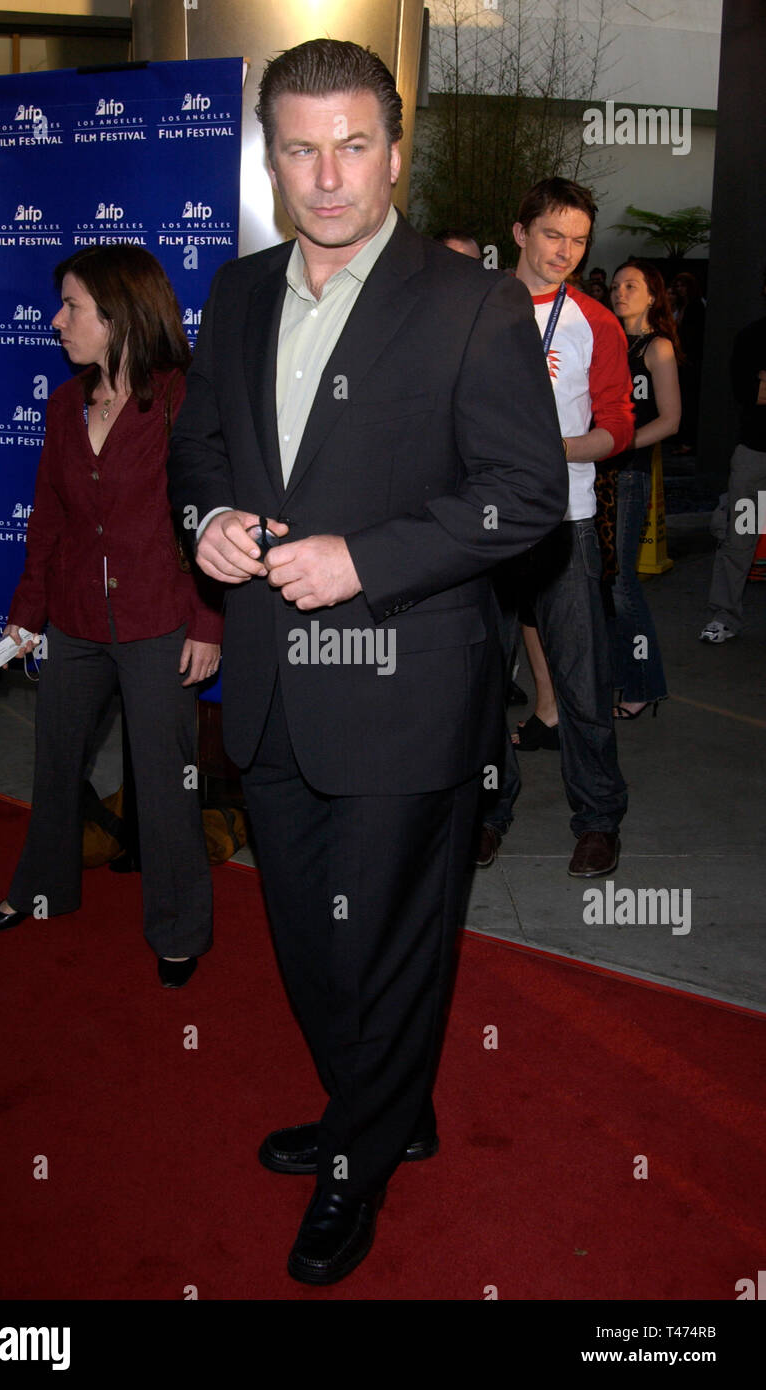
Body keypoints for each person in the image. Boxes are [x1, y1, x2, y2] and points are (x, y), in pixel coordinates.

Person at [168, 38, 567, 1284]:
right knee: (308, 941)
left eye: (353, 145)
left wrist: (366, 560)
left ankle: (360, 1160)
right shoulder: (235, 295)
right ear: (271, 159)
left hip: (406, 692)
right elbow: (199, 455)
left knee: (390, 942)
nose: (328, 175)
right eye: (300, 148)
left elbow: (527, 499)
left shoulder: (470, 299)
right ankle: (386, 1104)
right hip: (273, 689)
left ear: (395, 151)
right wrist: (210, 523)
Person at [0, 244, 222, 989]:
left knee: (166, 782)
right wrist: (25, 617)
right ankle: (39, 889)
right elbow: (47, 518)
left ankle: (178, 930)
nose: (57, 321)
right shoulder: (62, 402)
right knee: (55, 765)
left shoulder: (182, 400)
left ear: (117, 316)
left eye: (72, 306)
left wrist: (208, 623)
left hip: (159, 623)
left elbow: (207, 521)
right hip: (75, 617)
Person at [478, 177, 634, 878]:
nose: (564, 252)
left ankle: (598, 820)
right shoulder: (470, 309)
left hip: (562, 524)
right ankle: (485, 812)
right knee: (478, 684)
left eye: (577, 240)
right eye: (551, 235)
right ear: (518, 232)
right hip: (479, 529)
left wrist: (553, 448)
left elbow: (616, 427)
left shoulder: (594, 322)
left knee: (580, 682)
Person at [606, 258, 681, 715]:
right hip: (598, 472)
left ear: (652, 294)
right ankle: (620, 675)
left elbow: (671, 421)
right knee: (603, 580)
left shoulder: (658, 348)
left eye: (631, 285)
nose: (619, 292)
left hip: (629, 473)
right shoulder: (611, 341)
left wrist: (617, 444)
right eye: (615, 286)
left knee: (621, 582)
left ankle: (642, 684)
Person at [699, 272, 766, 643]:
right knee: (740, 537)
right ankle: (724, 616)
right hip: (756, 456)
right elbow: (747, 392)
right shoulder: (752, 337)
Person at [669, 269, 705, 456]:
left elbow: (693, 337)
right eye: (678, 286)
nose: (681, 289)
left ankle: (688, 441)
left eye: (684, 286)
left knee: (688, 402)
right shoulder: (681, 306)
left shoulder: (696, 307)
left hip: (690, 362)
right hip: (679, 361)